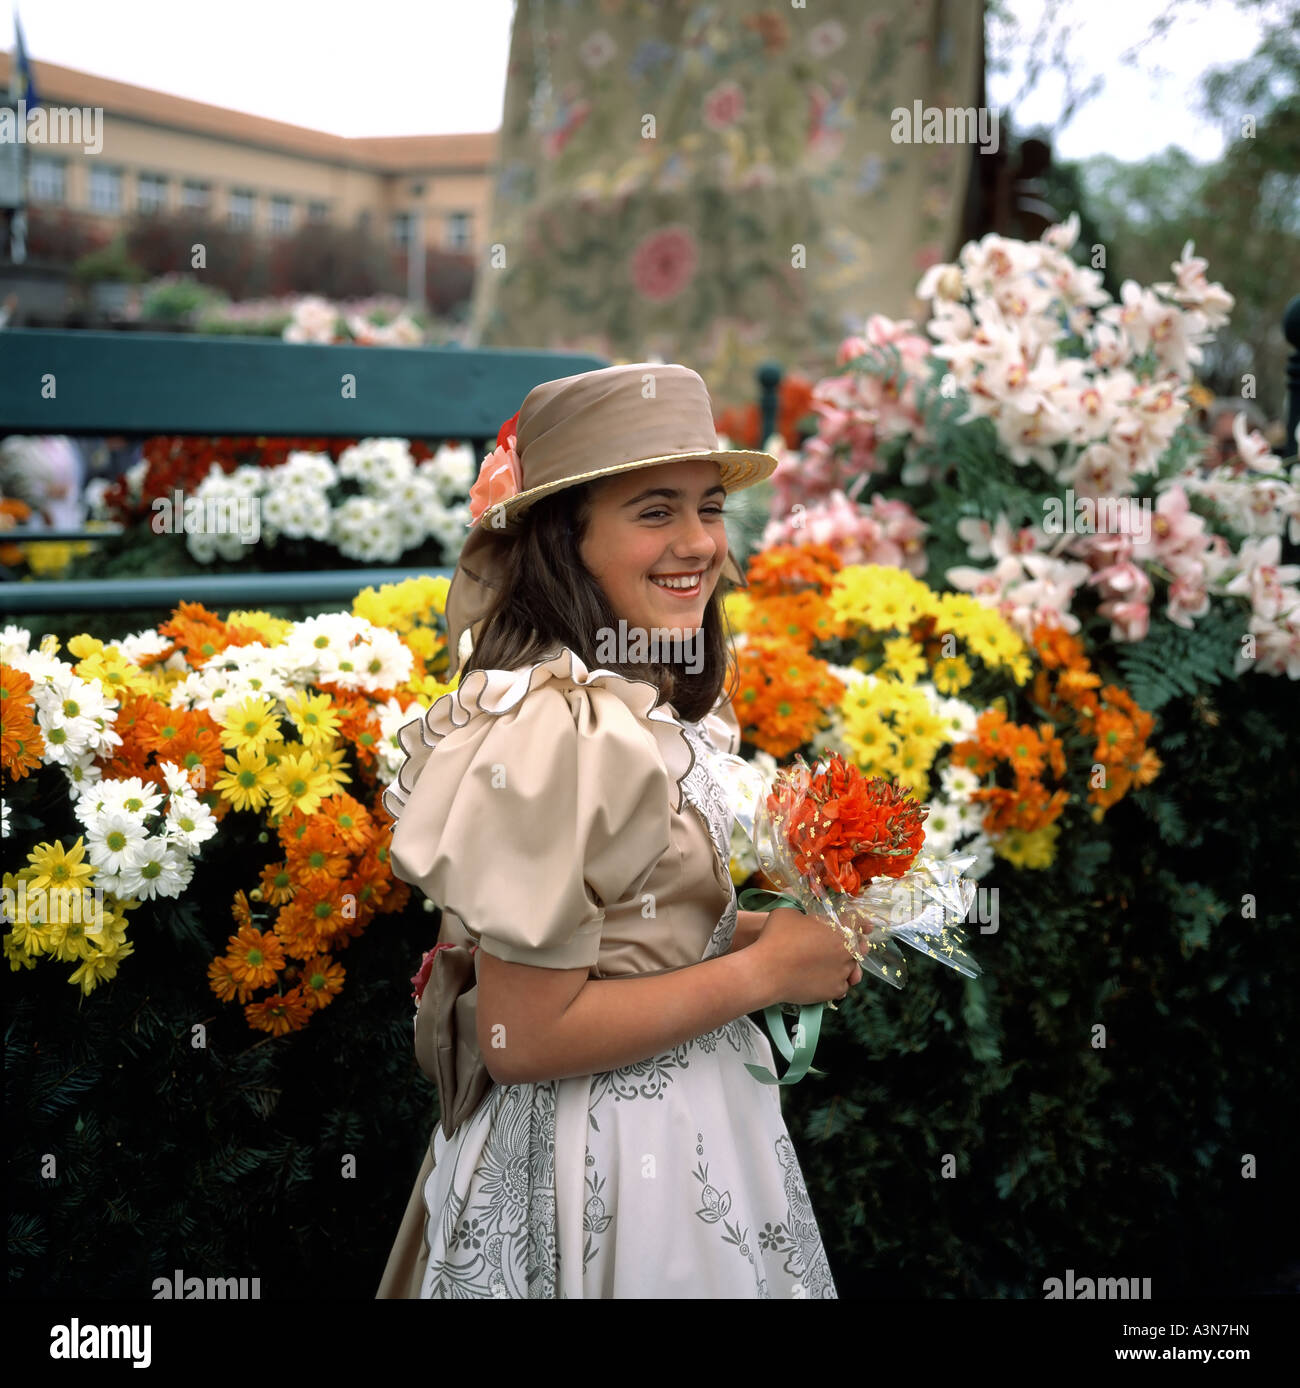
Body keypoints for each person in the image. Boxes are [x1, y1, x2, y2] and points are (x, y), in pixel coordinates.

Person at [376, 362, 861, 1299]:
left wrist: (786, 940)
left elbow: (626, 933)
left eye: (709, 508)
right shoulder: (557, 728)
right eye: (653, 511)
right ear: (569, 540)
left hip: (694, 1126)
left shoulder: (643, 702)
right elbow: (525, 1034)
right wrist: (761, 975)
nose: (697, 544)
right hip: (599, 1149)